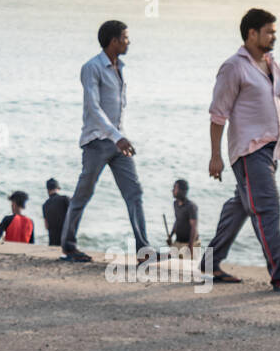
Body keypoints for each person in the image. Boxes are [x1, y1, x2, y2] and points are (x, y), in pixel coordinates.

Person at [201, 8, 280, 294]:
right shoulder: (234, 67)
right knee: (267, 207)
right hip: (248, 151)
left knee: (241, 207)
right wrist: (215, 155)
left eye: (275, 32)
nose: (273, 37)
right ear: (251, 33)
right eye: (269, 32)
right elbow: (218, 114)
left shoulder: (273, 65)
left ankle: (209, 264)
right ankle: (279, 275)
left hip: (271, 150)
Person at [59, 20, 150, 263]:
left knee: (134, 192)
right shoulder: (92, 67)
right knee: (83, 194)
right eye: (125, 38)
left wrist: (119, 136)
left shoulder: (120, 67)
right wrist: (116, 136)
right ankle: (68, 246)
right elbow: (93, 106)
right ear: (114, 41)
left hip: (118, 141)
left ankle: (144, 249)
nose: (129, 42)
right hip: (97, 142)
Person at [41, 179, 70, 246]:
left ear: (47, 190)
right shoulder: (65, 199)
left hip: (52, 242)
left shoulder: (45, 205)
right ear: (58, 188)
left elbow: (46, 226)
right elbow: (73, 216)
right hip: (66, 240)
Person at [170, 179, 198, 245]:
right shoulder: (175, 204)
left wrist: (190, 245)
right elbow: (177, 221)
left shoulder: (191, 206)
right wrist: (170, 236)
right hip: (178, 241)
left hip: (190, 243)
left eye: (175, 188)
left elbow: (194, 227)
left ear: (181, 191)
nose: (172, 190)